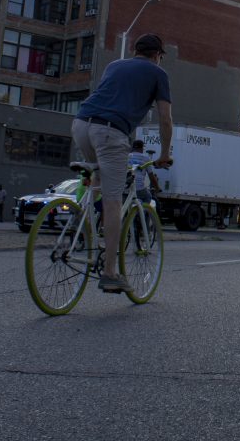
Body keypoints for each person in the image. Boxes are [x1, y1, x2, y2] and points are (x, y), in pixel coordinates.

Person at [72, 33, 173, 294]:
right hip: (111, 131)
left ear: (135, 50)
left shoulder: (114, 65)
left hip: (81, 124)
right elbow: (165, 119)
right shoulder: (158, 74)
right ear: (157, 55)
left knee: (99, 178)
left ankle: (85, 224)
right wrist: (164, 153)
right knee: (114, 200)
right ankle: (109, 272)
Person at [127, 139, 158, 206]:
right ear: (142, 148)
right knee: (148, 196)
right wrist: (157, 188)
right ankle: (142, 214)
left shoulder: (127, 156)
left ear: (133, 148)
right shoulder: (146, 158)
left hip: (125, 187)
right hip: (139, 189)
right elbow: (151, 177)